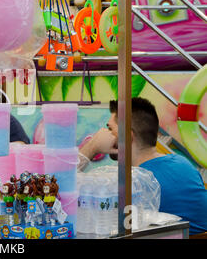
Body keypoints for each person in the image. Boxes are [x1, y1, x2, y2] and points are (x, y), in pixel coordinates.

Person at [79, 97, 207, 235]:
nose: (104, 134)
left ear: (127, 136)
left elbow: (59, 191)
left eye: (110, 129)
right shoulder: (183, 163)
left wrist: (92, 147)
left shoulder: (132, 181)